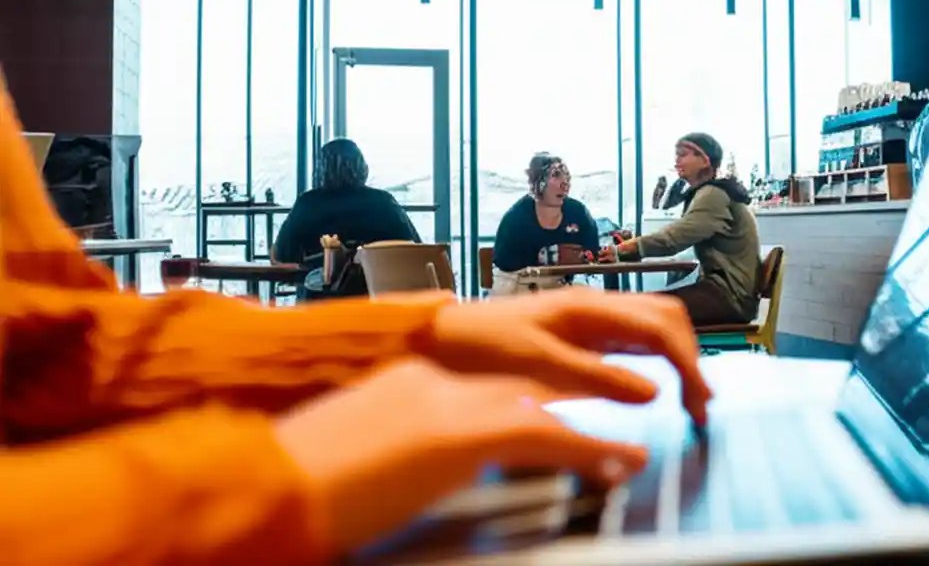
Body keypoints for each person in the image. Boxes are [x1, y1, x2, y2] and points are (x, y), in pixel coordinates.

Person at [0, 75, 713, 565]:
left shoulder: (308, 206)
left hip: (325, 314)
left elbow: (52, 343)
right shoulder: (385, 204)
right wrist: (272, 474)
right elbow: (417, 247)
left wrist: (401, 341)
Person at [602, 133, 761, 327]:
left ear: (705, 160)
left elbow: (673, 239)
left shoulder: (714, 195)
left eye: (683, 154)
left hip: (728, 299)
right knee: (637, 308)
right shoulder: (718, 192)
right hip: (730, 295)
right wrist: (630, 248)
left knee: (633, 311)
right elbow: (678, 236)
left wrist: (624, 250)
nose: (677, 161)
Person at [272, 139, 420, 267]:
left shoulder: (307, 203)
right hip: (375, 287)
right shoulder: (383, 202)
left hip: (317, 287)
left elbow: (281, 256)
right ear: (362, 167)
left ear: (320, 169)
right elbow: (415, 249)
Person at [491, 153, 600, 295]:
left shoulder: (578, 213)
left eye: (566, 176)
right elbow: (505, 265)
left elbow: (594, 253)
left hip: (562, 289)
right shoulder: (516, 219)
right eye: (556, 175)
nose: (564, 183)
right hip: (519, 289)